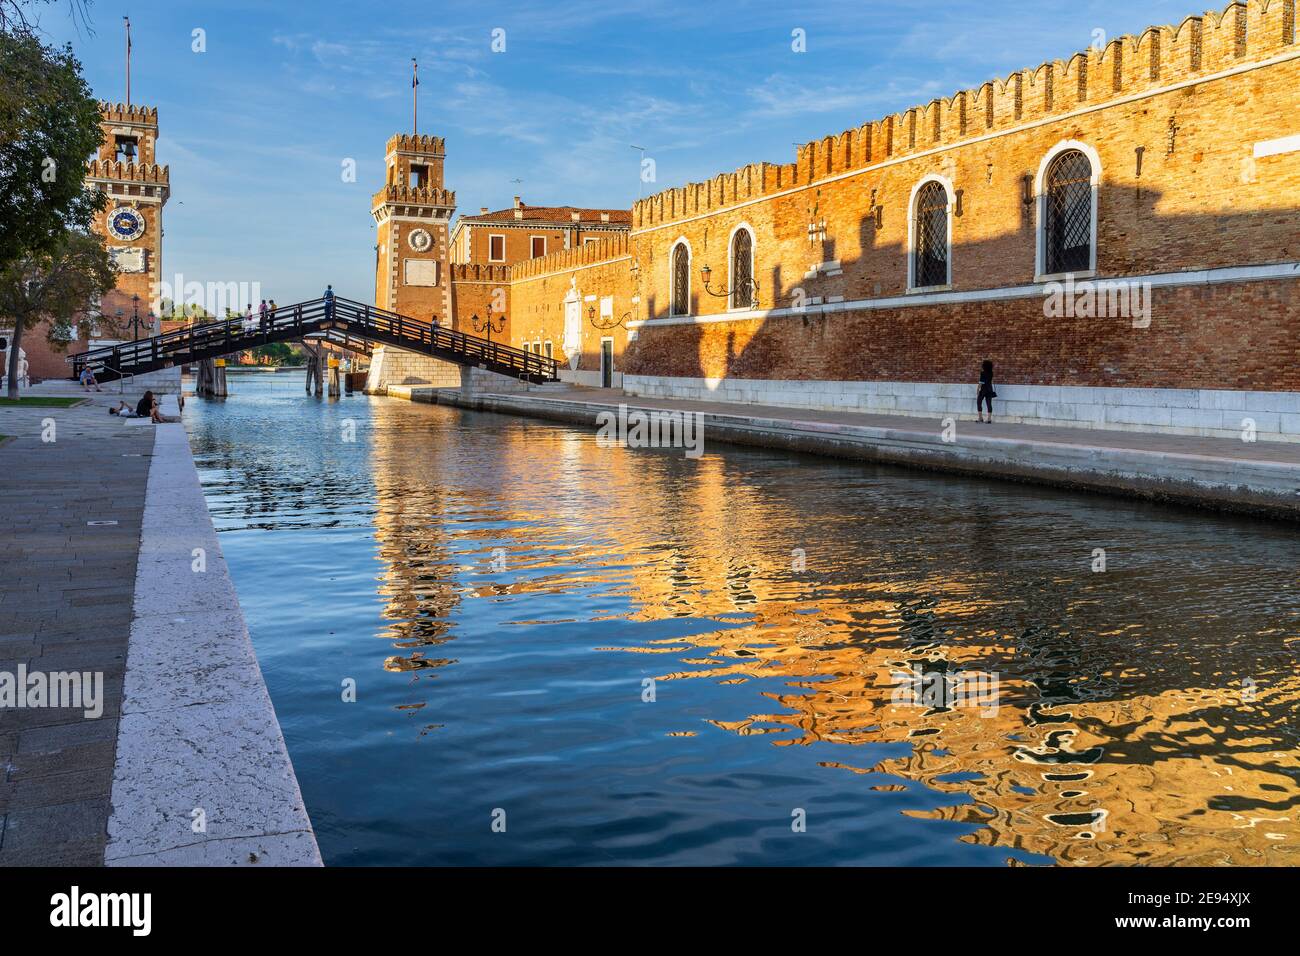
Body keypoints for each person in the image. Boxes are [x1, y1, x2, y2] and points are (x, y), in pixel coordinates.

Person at [976, 359, 996, 424]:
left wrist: (978, 389)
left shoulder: (983, 373)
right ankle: (989, 419)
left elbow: (981, 382)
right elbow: (991, 381)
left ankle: (980, 418)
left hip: (983, 389)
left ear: (984, 366)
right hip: (989, 389)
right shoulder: (991, 373)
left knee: (979, 402)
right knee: (989, 404)